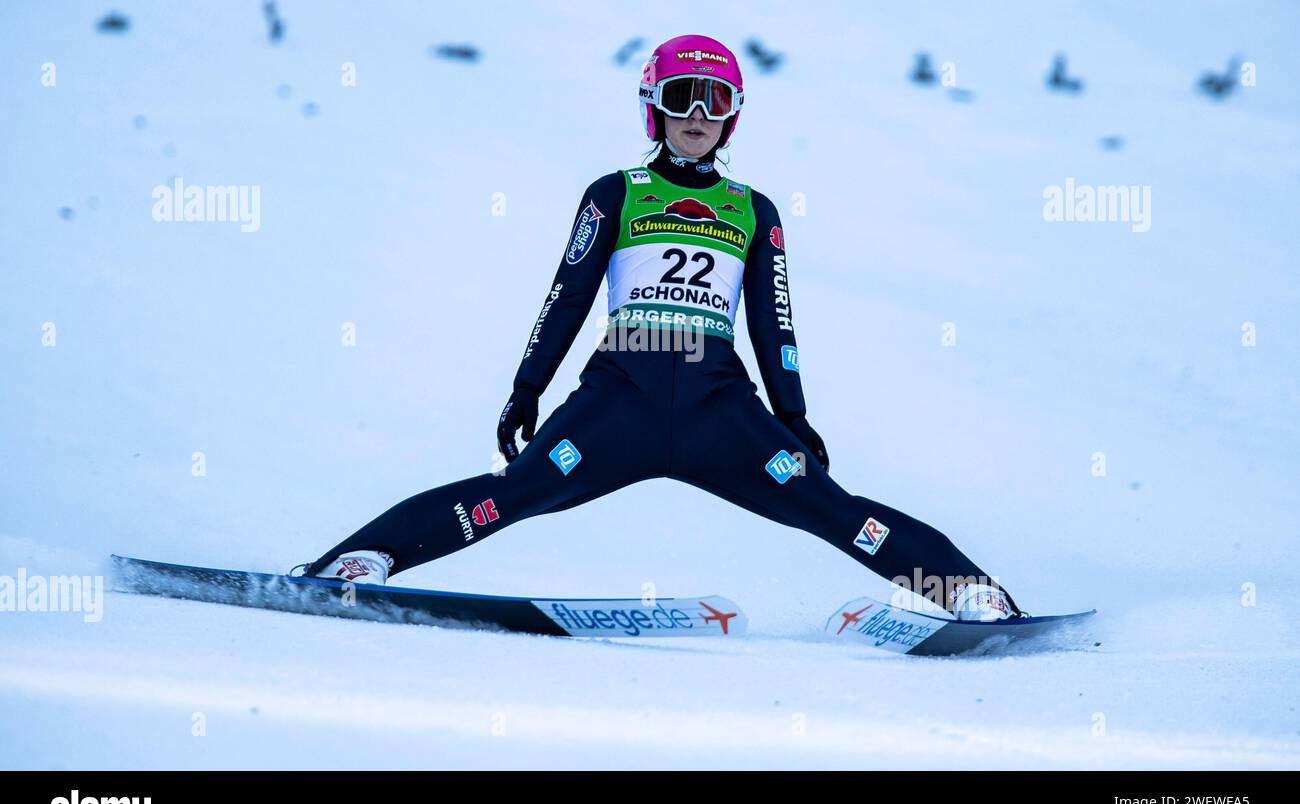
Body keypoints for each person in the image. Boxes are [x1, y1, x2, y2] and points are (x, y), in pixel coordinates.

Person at [296, 35, 1021, 622]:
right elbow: (567, 294)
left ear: (733, 115)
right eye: (682, 98)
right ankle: (362, 561)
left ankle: (966, 591)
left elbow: (776, 322)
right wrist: (527, 388)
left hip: (720, 410)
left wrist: (793, 416)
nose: (698, 115)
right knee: (509, 494)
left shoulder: (754, 209)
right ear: (654, 107)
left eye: (716, 101)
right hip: (620, 401)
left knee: (831, 509)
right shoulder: (616, 193)